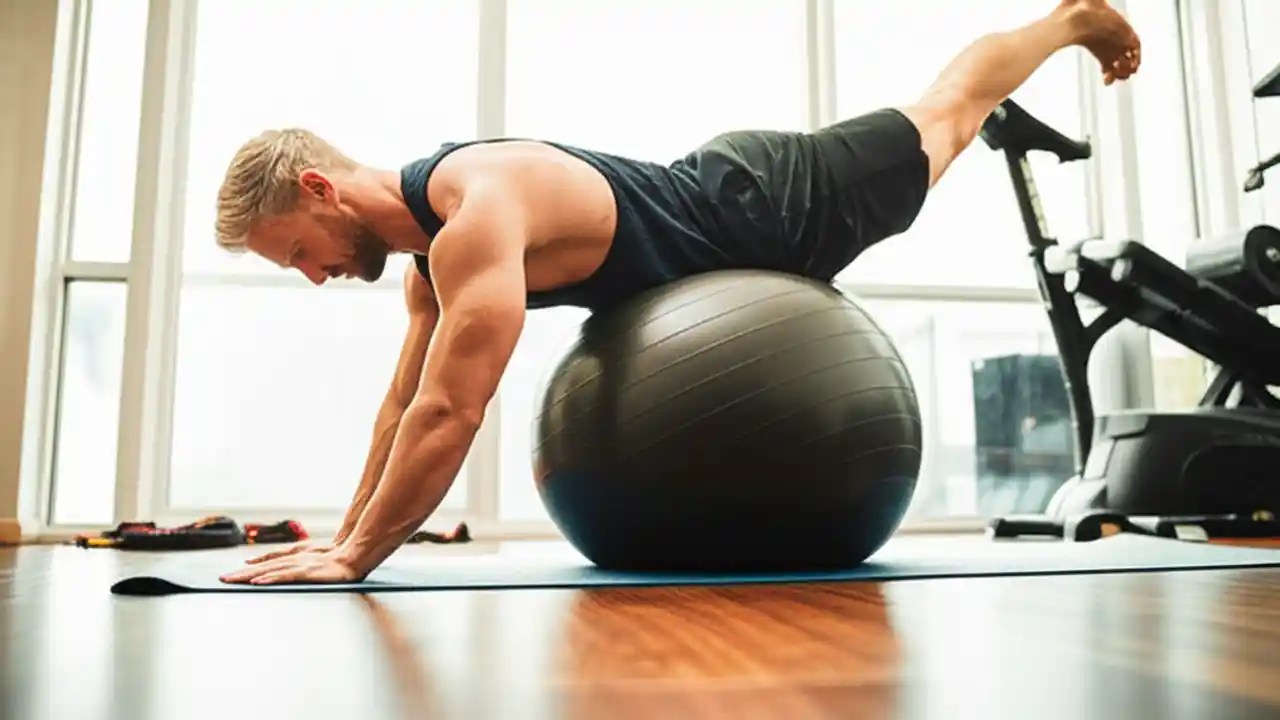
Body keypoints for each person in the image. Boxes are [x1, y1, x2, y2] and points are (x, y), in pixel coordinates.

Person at [214, 0, 1141, 585]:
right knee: (948, 125)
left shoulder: (475, 211)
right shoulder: (425, 270)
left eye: (297, 250)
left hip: (765, 208)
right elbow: (400, 408)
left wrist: (357, 558)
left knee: (947, 113)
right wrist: (341, 534)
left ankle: (1070, 20)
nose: (312, 274)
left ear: (321, 192)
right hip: (710, 228)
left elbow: (452, 411)